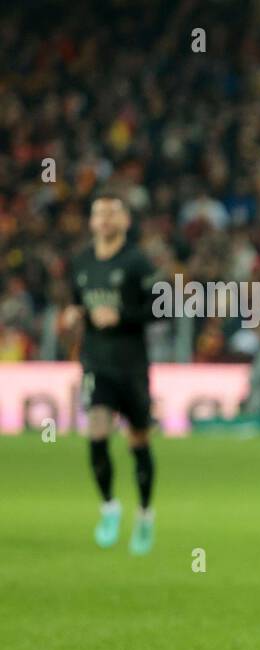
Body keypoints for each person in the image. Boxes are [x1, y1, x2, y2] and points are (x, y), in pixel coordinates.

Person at [60, 193, 163, 555]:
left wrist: (123, 317)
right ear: (91, 222)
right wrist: (73, 316)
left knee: (139, 442)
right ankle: (109, 508)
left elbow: (162, 308)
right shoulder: (82, 261)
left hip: (132, 366)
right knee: (97, 434)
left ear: (125, 222)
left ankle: (146, 515)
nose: (104, 219)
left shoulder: (137, 262)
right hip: (96, 364)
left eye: (112, 213)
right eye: (98, 213)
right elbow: (76, 302)